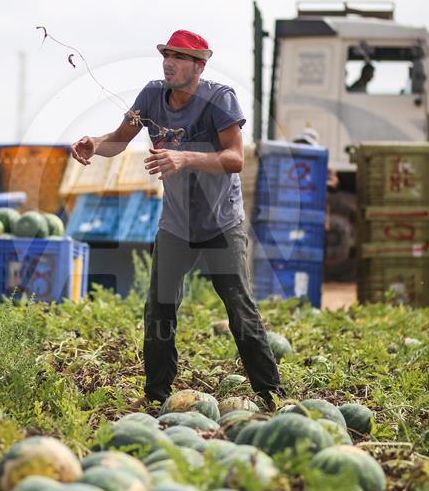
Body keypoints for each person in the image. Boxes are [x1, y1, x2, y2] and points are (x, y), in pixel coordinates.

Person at [70, 29, 284, 408]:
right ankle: (157, 398)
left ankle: (271, 394)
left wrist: (185, 157)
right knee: (160, 308)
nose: (169, 62)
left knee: (239, 307)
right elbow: (120, 138)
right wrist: (95, 145)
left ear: (199, 66)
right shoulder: (152, 95)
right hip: (176, 224)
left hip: (222, 222)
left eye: (180, 57)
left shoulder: (219, 99)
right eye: (166, 55)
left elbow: (235, 158)